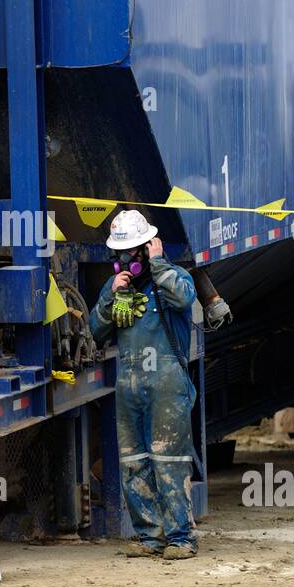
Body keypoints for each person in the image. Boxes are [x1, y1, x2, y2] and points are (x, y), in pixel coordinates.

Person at [90, 209, 205, 560]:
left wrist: (158, 264)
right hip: (130, 384)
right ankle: (150, 536)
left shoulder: (174, 279)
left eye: (133, 251)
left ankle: (181, 538)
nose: (125, 259)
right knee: (134, 461)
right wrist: (111, 296)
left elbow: (184, 298)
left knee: (169, 460)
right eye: (120, 253)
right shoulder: (118, 292)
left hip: (167, 384)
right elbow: (97, 331)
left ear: (147, 247)